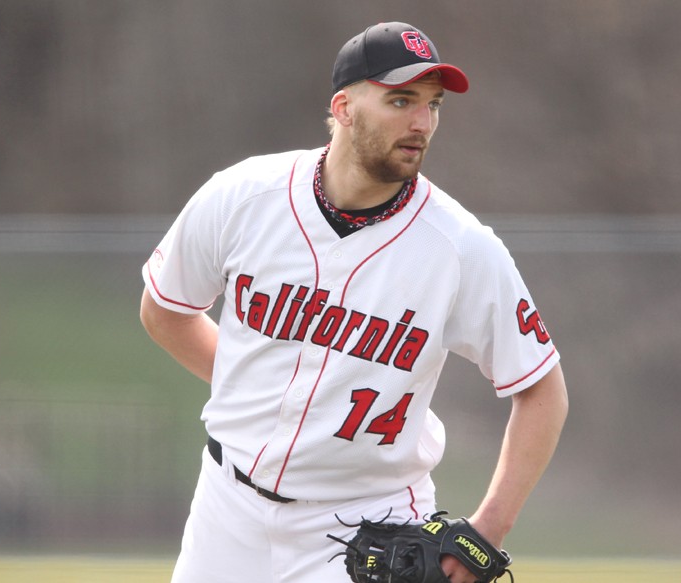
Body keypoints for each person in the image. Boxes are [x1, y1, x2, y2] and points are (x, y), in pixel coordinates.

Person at [140, 21, 568, 583]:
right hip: (227, 508)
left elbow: (542, 390)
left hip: (365, 528)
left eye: (433, 105)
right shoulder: (244, 196)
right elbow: (164, 311)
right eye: (400, 100)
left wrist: (489, 530)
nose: (422, 122)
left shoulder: (460, 248)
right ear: (343, 107)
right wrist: (250, 388)